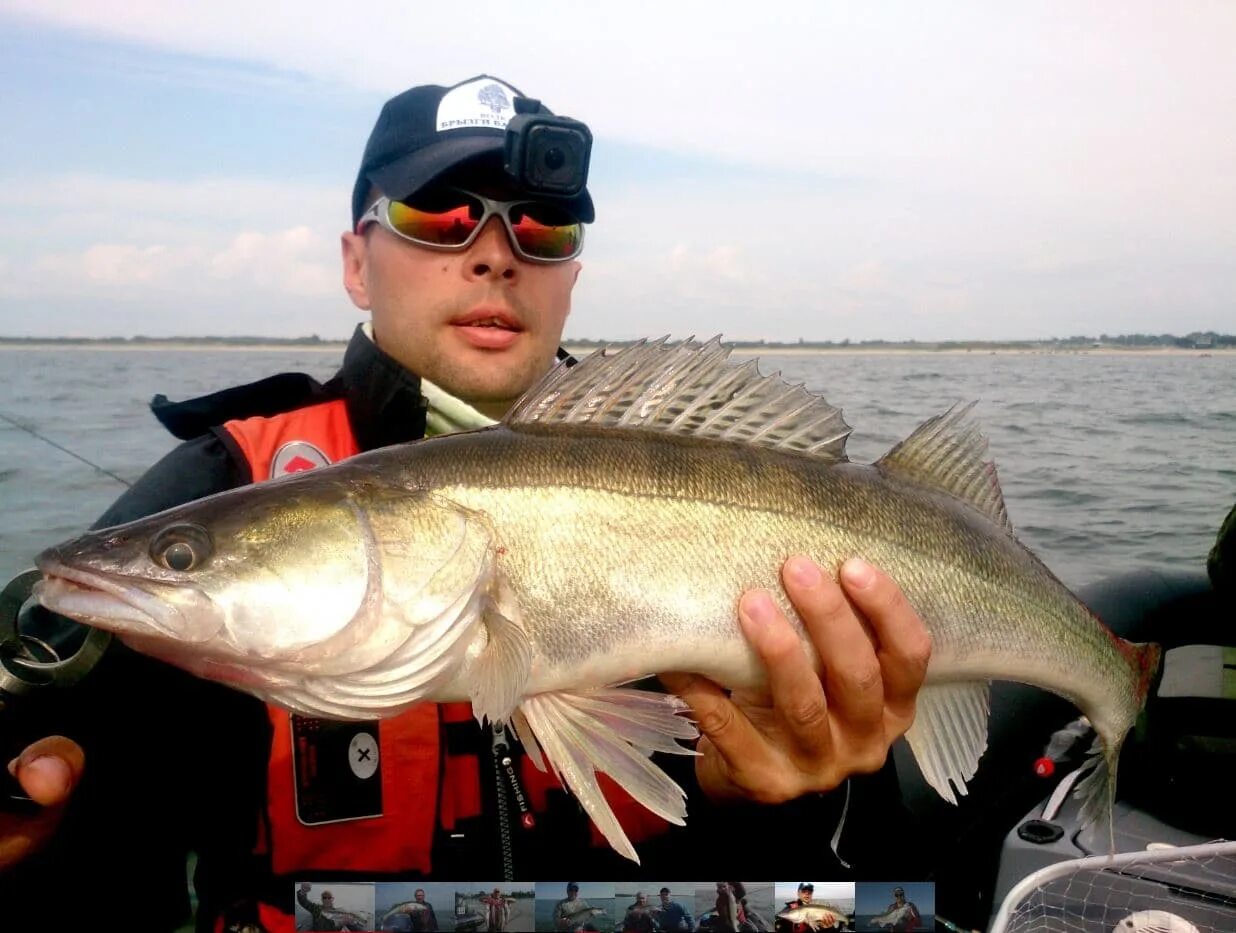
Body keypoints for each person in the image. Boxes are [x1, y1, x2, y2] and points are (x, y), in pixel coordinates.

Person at [0, 73, 932, 929]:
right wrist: (36, 848)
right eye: (438, 215)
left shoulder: (694, 459)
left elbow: (834, 884)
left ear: (572, 278)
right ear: (357, 262)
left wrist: (772, 794)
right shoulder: (222, 485)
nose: (494, 254)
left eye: (543, 230)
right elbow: (101, 848)